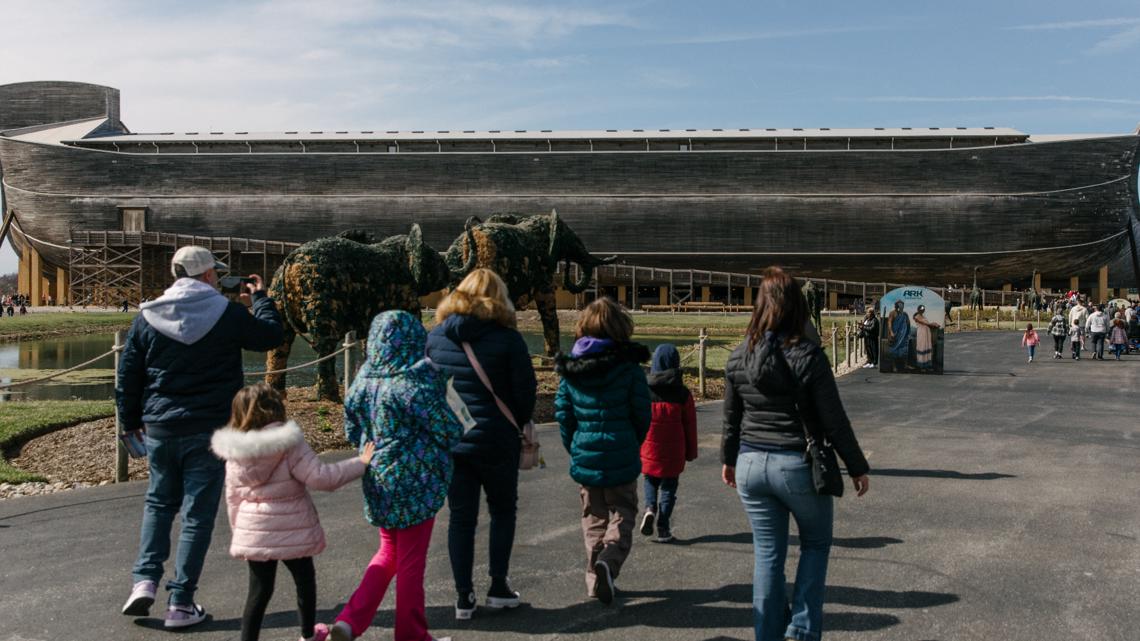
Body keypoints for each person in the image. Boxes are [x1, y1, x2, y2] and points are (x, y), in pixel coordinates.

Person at [117, 246, 282, 628]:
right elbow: (270, 336)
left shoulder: (148, 316)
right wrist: (261, 299)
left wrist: (130, 422)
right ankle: (180, 602)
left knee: (159, 503)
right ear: (208, 275)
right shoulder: (227, 315)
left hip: (160, 426)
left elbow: (128, 377)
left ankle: (144, 581)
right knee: (197, 514)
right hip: (210, 427)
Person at [721, 267, 870, 641]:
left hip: (751, 465)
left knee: (767, 555)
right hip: (797, 464)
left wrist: (728, 459)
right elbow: (833, 421)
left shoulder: (740, 356)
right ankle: (801, 630)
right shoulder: (808, 356)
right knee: (815, 545)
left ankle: (767, 633)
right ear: (798, 308)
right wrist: (856, 466)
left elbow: (730, 419)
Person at [327, 311, 463, 641]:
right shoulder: (419, 382)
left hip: (377, 476)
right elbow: (452, 429)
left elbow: (350, 429)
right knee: (412, 561)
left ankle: (349, 621)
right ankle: (411, 634)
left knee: (388, 553)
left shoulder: (361, 380)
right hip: (418, 481)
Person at [211, 384, 373, 641]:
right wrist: (360, 463)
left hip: (254, 532)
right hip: (293, 526)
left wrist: (240, 534)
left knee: (259, 591)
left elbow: (233, 498)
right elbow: (322, 478)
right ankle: (308, 635)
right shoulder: (289, 443)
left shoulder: (234, 452)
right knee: (304, 580)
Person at [424, 268, 537, 620]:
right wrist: (518, 423)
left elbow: (428, 388)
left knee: (461, 518)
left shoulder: (436, 336)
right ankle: (498, 585)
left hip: (453, 442)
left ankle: (463, 595)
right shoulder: (508, 338)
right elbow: (525, 393)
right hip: (497, 438)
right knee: (503, 511)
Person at [554, 297, 651, 605]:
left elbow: (563, 414)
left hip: (585, 451)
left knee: (593, 517)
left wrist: (575, 445)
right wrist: (632, 442)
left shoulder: (572, 371)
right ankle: (608, 562)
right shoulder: (630, 370)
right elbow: (641, 414)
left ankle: (595, 579)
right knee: (623, 512)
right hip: (621, 450)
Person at [638, 343, 698, 544]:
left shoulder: (645, 391)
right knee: (669, 488)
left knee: (649, 480)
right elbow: (690, 425)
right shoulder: (682, 394)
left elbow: (637, 420)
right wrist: (690, 452)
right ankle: (663, 528)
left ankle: (649, 508)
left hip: (649, 447)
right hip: (674, 449)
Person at [912, 305, 940, 371]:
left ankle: (927, 365)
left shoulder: (923, 316)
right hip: (921, 333)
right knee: (922, 347)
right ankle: (921, 366)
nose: (922, 310)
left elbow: (928, 323)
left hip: (927, 333)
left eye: (923, 309)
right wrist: (933, 324)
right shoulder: (916, 317)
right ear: (918, 309)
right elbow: (925, 323)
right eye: (921, 309)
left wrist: (934, 323)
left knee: (927, 347)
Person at [886, 300, 910, 371]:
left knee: (904, 350)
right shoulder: (892, 313)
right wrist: (891, 332)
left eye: (902, 305)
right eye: (899, 305)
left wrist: (908, 333)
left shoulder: (905, 314)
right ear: (896, 306)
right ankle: (894, 366)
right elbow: (889, 323)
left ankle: (905, 365)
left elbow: (908, 323)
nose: (900, 307)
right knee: (894, 350)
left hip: (903, 335)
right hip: (895, 335)